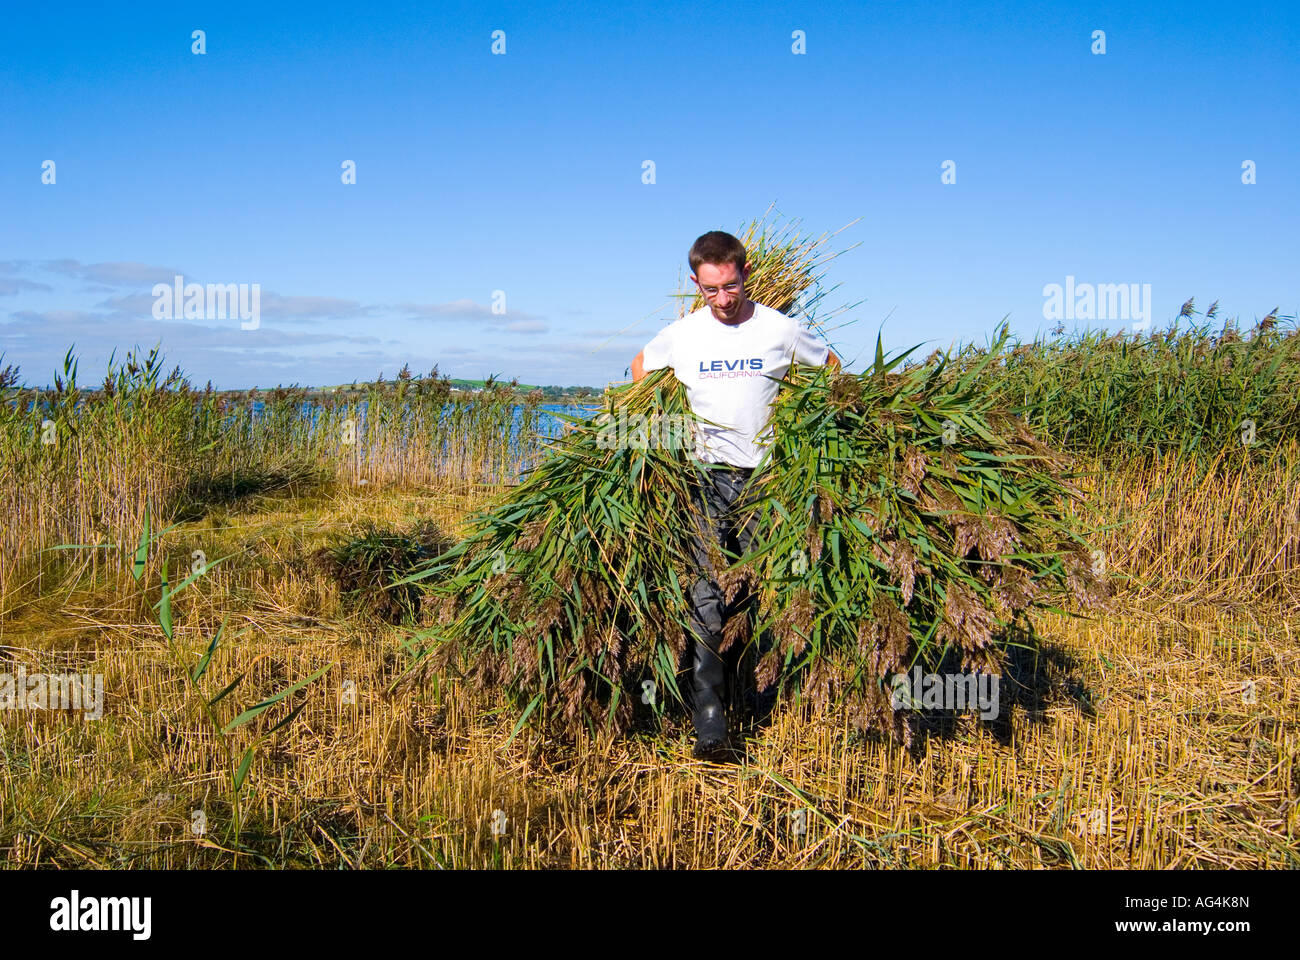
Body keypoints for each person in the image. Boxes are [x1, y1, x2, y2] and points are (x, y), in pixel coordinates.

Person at [631, 231, 840, 760]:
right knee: (705, 592)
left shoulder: (780, 329)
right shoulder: (683, 335)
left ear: (744, 273)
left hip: (766, 481)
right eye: (710, 291)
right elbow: (639, 369)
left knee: (751, 588)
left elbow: (832, 371)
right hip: (703, 477)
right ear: (697, 284)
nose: (722, 300)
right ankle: (710, 725)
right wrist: (658, 423)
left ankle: (754, 691)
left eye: (730, 287)